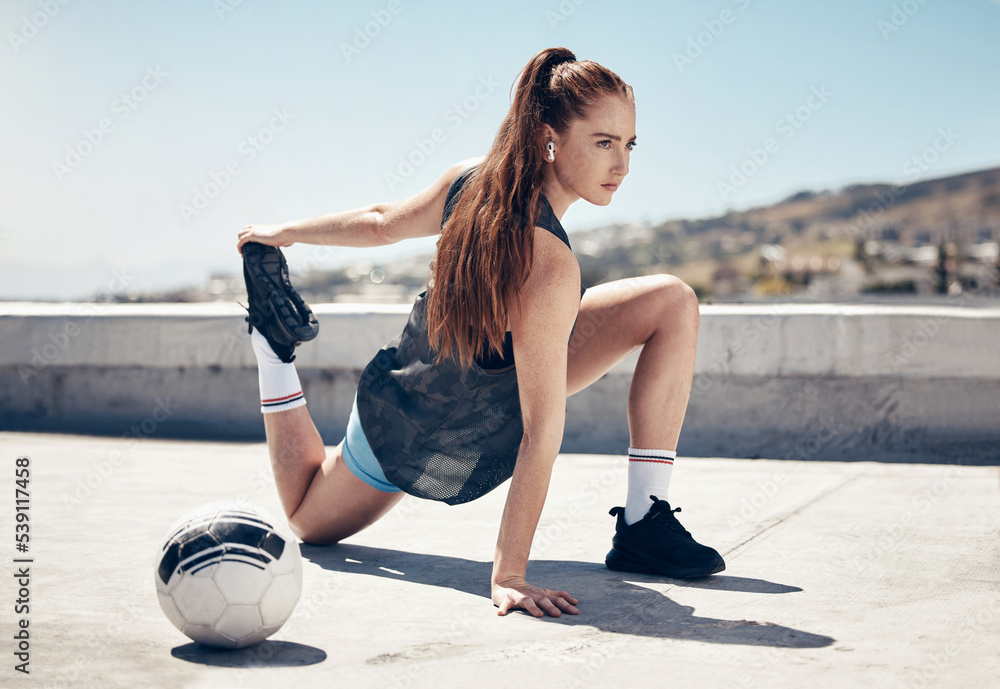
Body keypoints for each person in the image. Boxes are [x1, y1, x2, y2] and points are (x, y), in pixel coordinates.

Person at [236, 46, 724, 619]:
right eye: (603, 143)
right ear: (550, 137)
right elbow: (541, 430)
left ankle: (645, 521)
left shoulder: (474, 179)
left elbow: (382, 223)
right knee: (306, 519)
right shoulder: (544, 262)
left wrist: (285, 232)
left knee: (672, 301)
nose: (622, 165)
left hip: (500, 377)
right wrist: (510, 575)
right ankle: (272, 350)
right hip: (417, 420)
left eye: (629, 144)